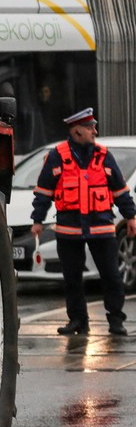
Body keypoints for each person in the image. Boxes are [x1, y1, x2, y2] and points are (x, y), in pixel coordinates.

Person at [31, 107, 136, 336]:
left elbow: (120, 190)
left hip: (102, 228)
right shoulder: (57, 156)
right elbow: (43, 191)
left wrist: (131, 216)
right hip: (69, 230)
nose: (95, 132)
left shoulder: (103, 155)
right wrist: (37, 220)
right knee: (72, 279)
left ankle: (116, 320)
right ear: (77, 131)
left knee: (111, 276)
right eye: (90, 128)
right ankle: (78, 321)